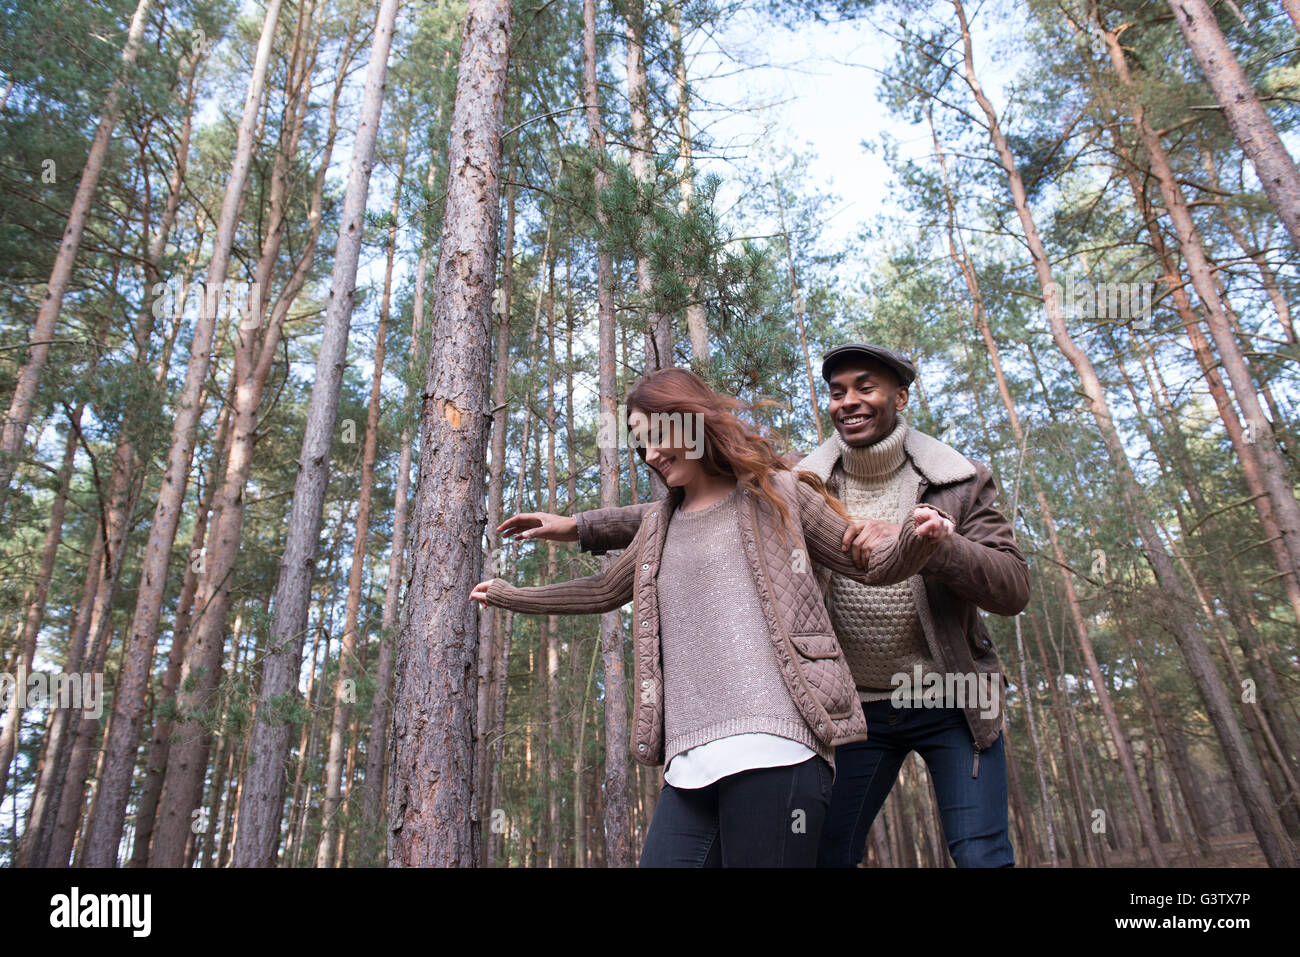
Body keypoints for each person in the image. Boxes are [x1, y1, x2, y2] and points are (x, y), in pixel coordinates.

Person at [503, 345, 1030, 868]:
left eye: (865, 387)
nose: (849, 401)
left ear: (902, 396)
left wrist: (935, 541)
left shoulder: (958, 480)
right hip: (854, 702)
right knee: (826, 855)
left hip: (949, 694)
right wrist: (579, 527)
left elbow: (1010, 586)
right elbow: (696, 510)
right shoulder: (798, 476)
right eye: (837, 392)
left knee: (980, 853)